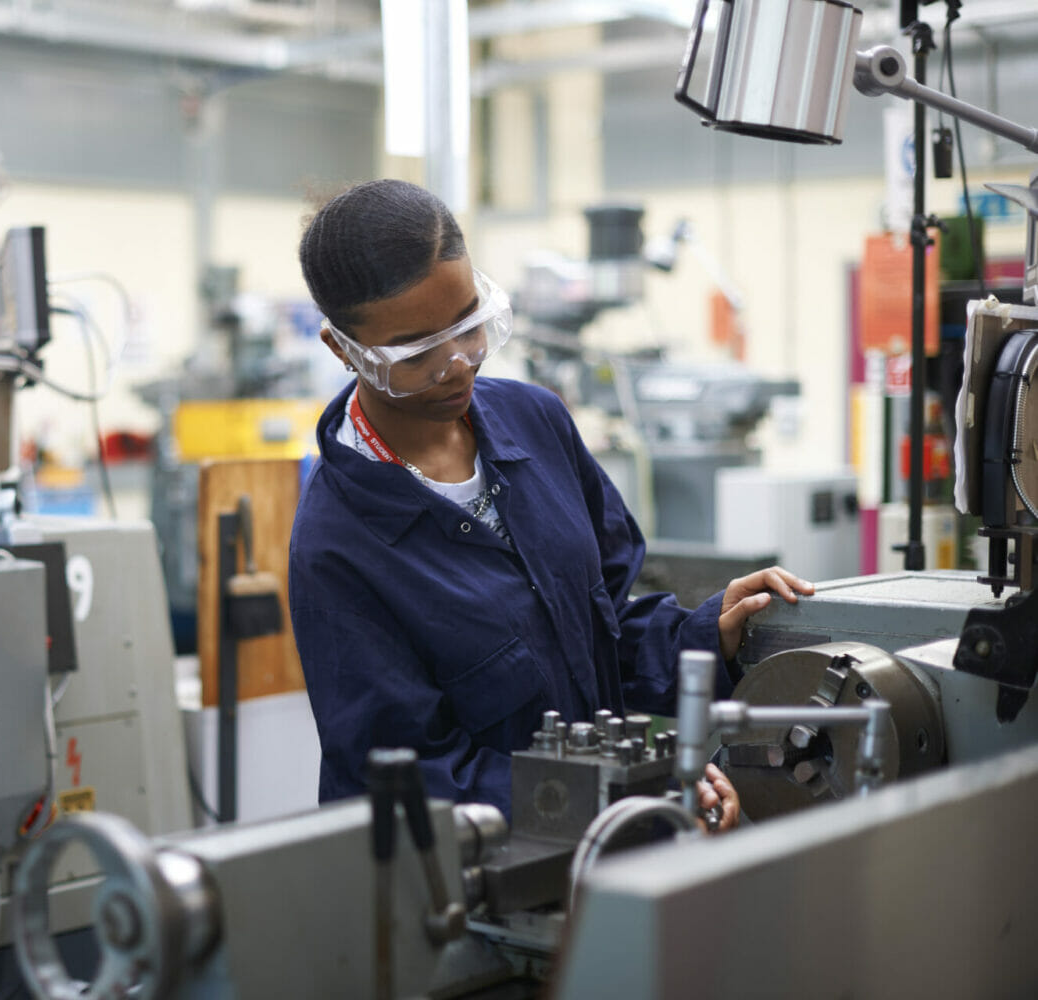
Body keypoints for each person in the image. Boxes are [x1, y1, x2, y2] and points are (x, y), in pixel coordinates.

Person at [288, 179, 813, 822]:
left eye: (469, 325)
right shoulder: (337, 544)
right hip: (465, 888)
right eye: (418, 353)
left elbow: (607, 630)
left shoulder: (535, 423)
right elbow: (412, 778)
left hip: (597, 843)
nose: (457, 364)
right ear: (344, 350)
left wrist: (708, 635)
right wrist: (613, 796)